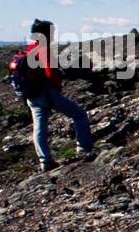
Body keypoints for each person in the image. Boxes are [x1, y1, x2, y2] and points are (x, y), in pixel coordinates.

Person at [9, 19, 95, 172]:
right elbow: (51, 71)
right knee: (79, 115)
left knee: (39, 128)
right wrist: (56, 88)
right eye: (52, 32)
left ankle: (45, 161)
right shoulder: (43, 49)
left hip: (31, 96)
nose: (54, 35)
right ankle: (84, 148)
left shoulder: (29, 49)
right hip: (46, 93)